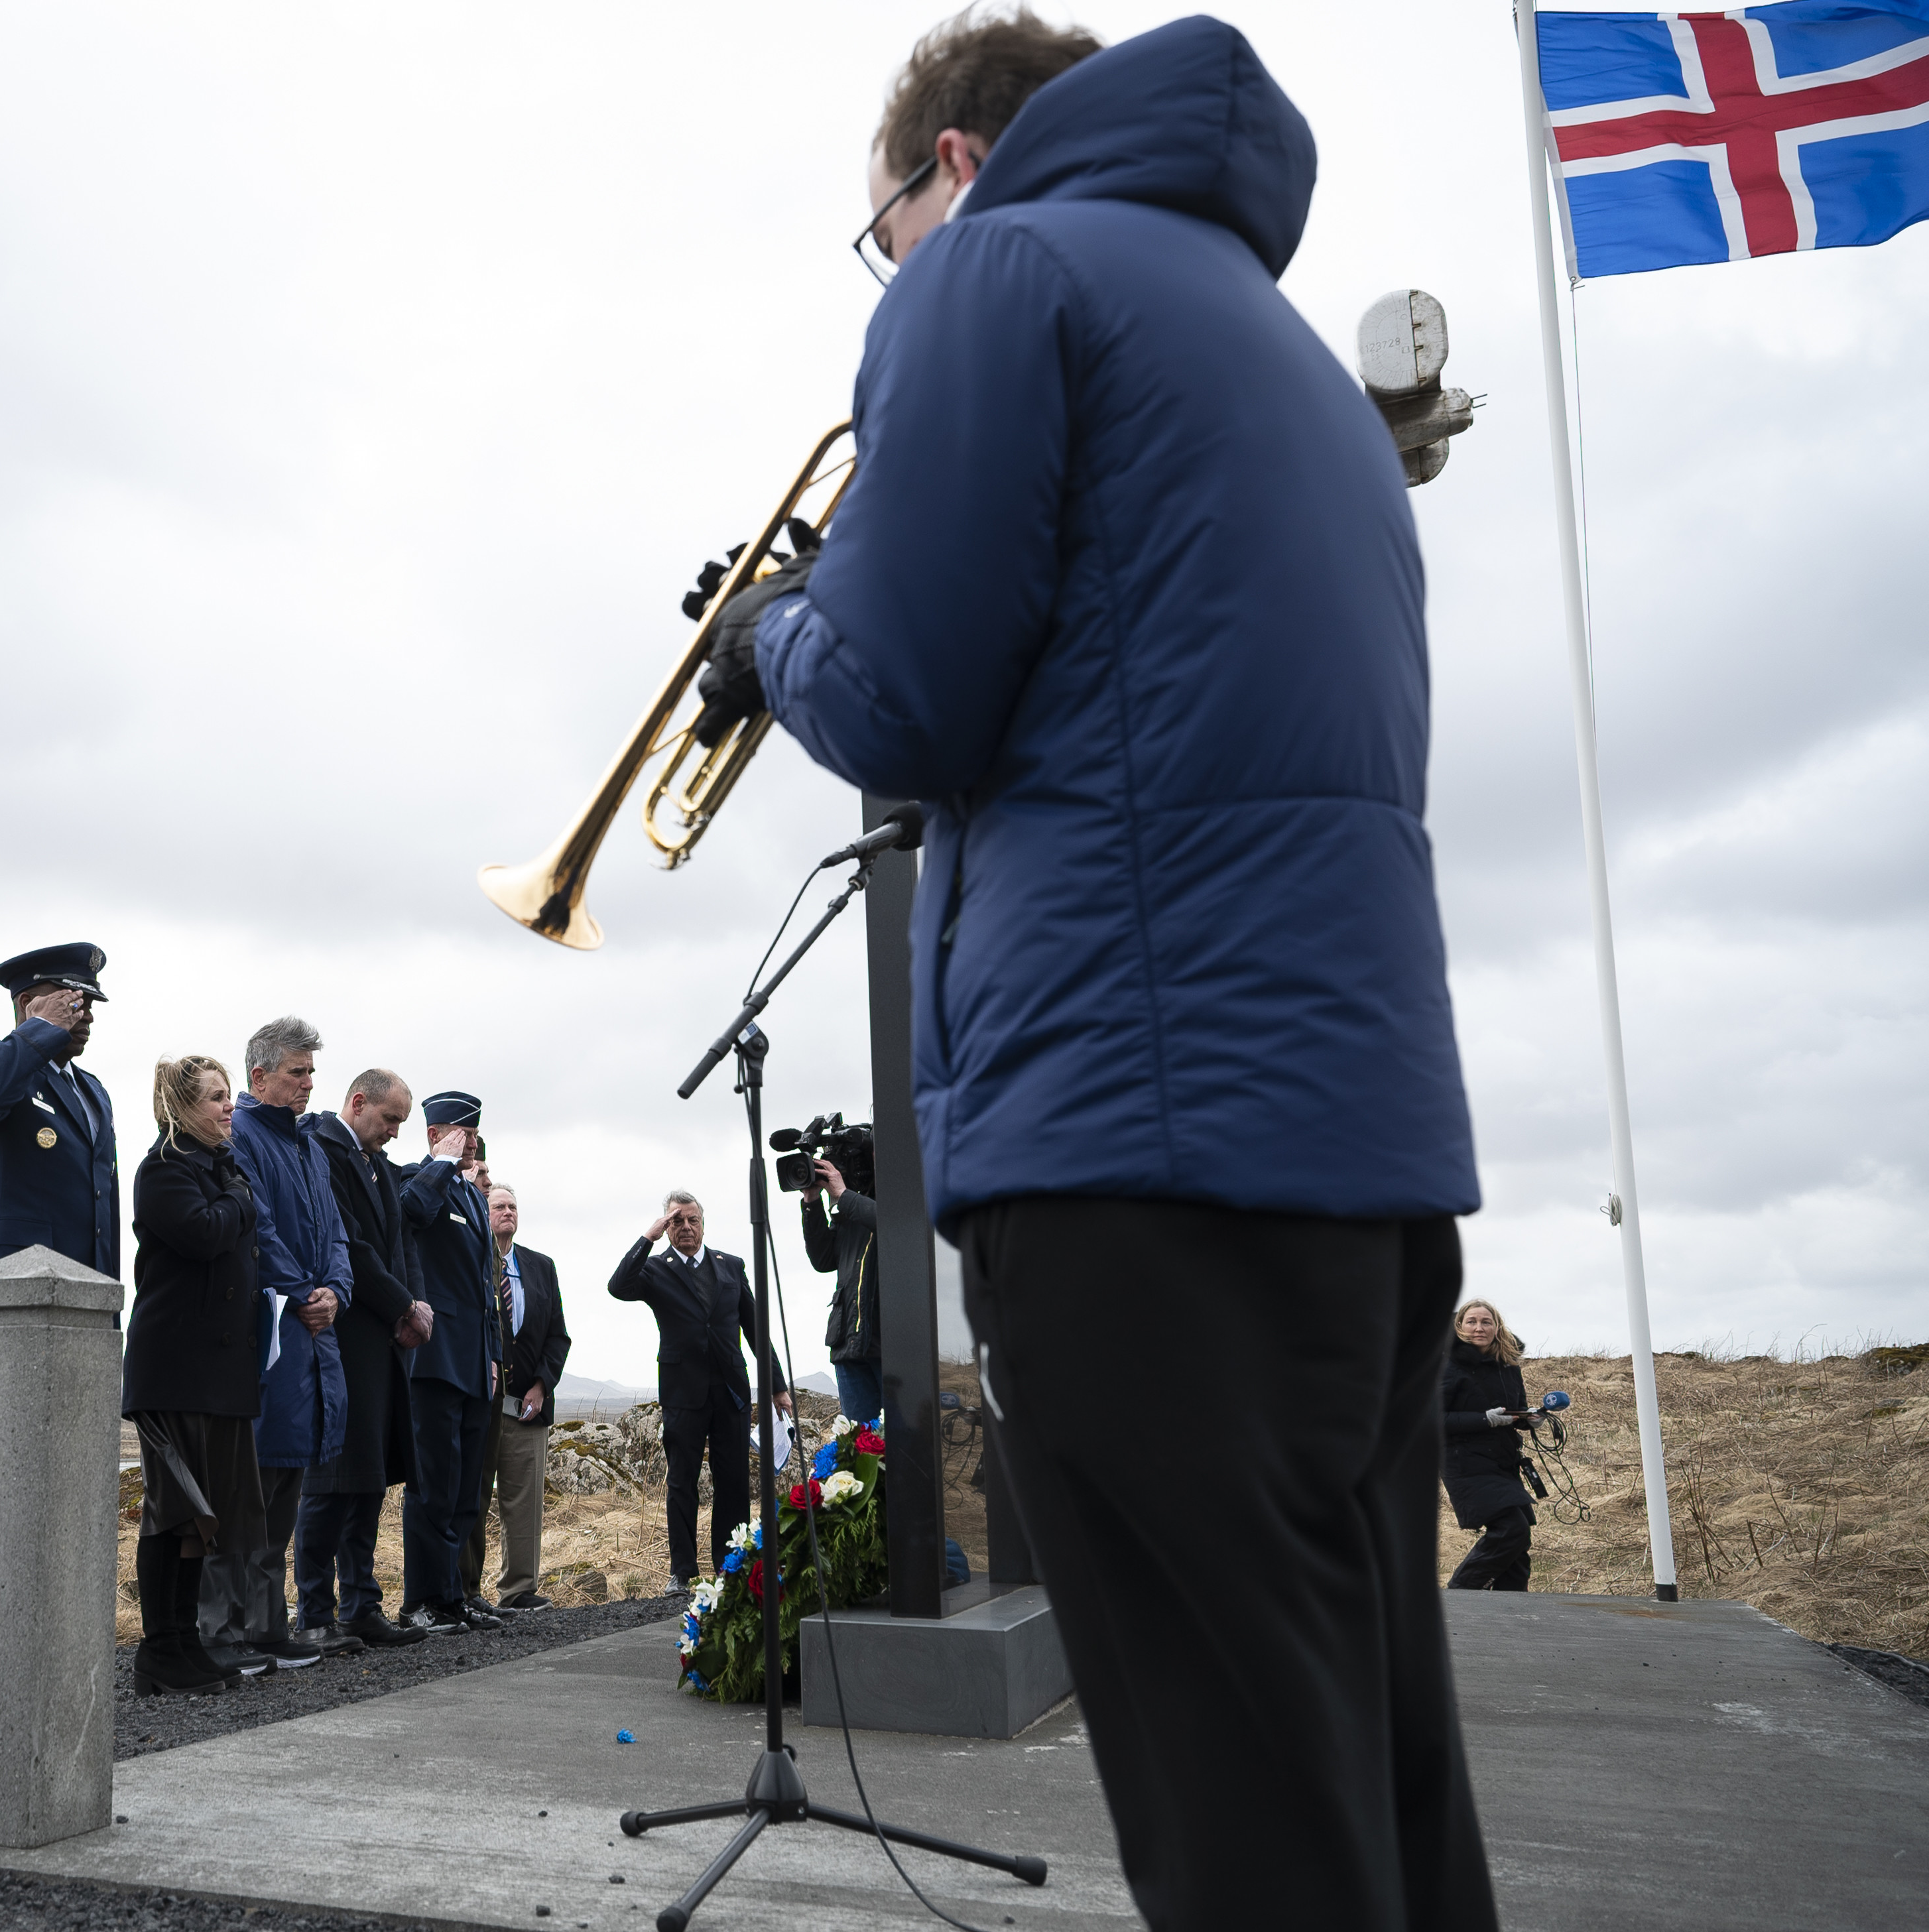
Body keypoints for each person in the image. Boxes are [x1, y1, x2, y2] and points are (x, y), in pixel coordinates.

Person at [692, 14, 1494, 1926]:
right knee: (1364, 1770)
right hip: (1351, 1146)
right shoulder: (1275, 351)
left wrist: (765, 634)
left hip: (1131, 1137)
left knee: (1235, 1820)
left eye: (877, 222)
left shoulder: (995, 270)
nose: (887, 259)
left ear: (949, 166)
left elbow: (903, 695)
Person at [123, 1055, 265, 1696]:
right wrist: (238, 1201)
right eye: (215, 1097)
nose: (228, 1107)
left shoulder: (220, 1167)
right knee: (174, 1512)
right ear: (183, 1107)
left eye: (229, 1095)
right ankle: (160, 1651)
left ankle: (186, 1643)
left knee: (205, 1519)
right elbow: (204, 1234)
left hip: (219, 1374)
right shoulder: (163, 1169)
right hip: (174, 1370)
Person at [215, 1017, 347, 1669]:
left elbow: (337, 1236)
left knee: (286, 1493)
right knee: (251, 1495)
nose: (308, 1083)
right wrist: (304, 1295)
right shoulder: (242, 1138)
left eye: (311, 1072)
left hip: (311, 1340)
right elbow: (259, 1232)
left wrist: (336, 1293)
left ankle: (268, 1626)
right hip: (273, 1337)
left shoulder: (310, 1147)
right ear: (259, 1074)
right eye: (298, 1071)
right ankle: (232, 1630)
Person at [302, 1069, 431, 1650]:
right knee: (332, 1481)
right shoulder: (322, 1150)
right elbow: (349, 1242)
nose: (395, 1133)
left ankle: (360, 1604)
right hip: (343, 1333)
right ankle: (313, 1612)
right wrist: (400, 1304)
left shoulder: (377, 1163)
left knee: (369, 1479)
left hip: (380, 1338)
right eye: (390, 1120)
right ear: (358, 1103)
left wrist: (413, 1305)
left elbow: (399, 1240)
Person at [607, 1190, 785, 1593]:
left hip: (731, 1393)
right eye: (677, 1221)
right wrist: (648, 1237)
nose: (686, 1227)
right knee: (682, 1482)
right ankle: (682, 1571)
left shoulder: (730, 1266)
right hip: (682, 1393)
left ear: (703, 1224)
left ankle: (730, 1566)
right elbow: (617, 1286)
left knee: (734, 1482)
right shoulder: (655, 1270)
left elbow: (757, 1331)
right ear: (667, 1227)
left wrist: (776, 1387)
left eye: (692, 1220)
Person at [396, 1092, 505, 1636]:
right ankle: (420, 1599)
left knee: (466, 1489)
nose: (473, 1142)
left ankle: (452, 1595)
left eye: (475, 1135)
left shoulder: (469, 1192)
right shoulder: (420, 1179)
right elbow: (410, 1215)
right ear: (437, 1133)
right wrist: (440, 1160)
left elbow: (484, 1290)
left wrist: (491, 1356)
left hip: (472, 1363)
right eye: (462, 1134)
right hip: (434, 1360)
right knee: (433, 1486)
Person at [0, 944, 122, 1279]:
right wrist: (41, 1028)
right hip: (19, 1278)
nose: (86, 1014)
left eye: (88, 1005)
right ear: (28, 1004)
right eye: (72, 1002)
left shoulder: (93, 1091)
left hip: (89, 1282)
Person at [467, 1183, 569, 1612]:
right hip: (477, 1402)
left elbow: (557, 1335)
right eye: (498, 1206)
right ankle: (464, 1591)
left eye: (512, 1206)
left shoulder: (540, 1267)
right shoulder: (470, 1258)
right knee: (472, 1499)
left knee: (524, 1503)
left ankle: (518, 1590)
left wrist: (541, 1385)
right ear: (481, 1213)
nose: (507, 1212)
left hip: (527, 1409)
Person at [1441, 1300, 1538, 1593]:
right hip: (1464, 1462)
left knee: (1519, 1543)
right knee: (1512, 1529)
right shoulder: (1446, 1365)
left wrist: (1529, 1419)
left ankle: (1511, 1611)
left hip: (1504, 1461)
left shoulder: (1507, 1366)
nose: (1479, 1328)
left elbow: (1513, 1411)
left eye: (1486, 1322)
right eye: (1471, 1322)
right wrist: (1484, 1420)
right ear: (1460, 1327)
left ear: (1497, 1327)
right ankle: (1459, 1594)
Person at [799, 1158, 884, 1427]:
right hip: (849, 1344)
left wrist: (844, 1196)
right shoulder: (851, 1210)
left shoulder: (900, 1196)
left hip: (891, 1345)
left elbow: (893, 1226)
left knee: (903, 1442)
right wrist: (812, 1201)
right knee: (859, 1446)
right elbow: (823, 1260)